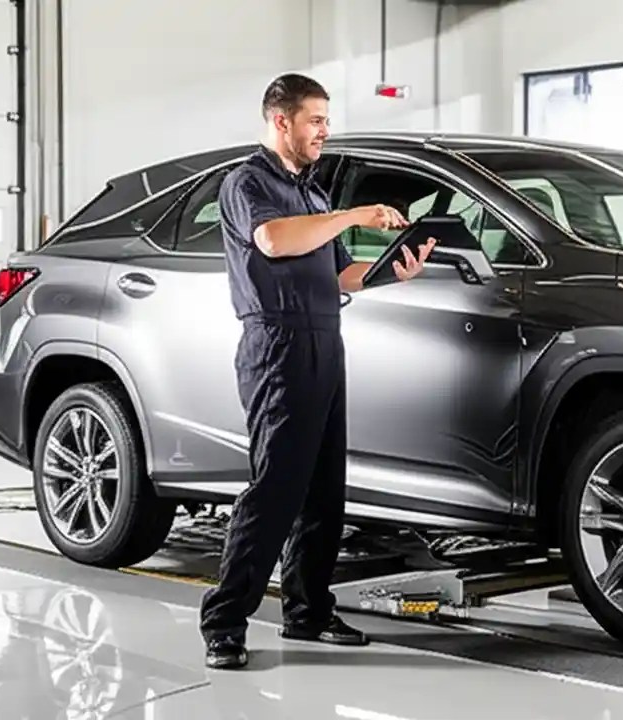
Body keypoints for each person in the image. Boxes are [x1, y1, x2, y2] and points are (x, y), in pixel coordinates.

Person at [198, 72, 436, 670]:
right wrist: (354, 214)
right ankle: (224, 622)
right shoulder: (247, 183)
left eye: (326, 121)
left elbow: (338, 276)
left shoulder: (314, 193)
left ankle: (307, 610)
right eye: (315, 121)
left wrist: (391, 272)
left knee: (325, 493)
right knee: (276, 487)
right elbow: (274, 242)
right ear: (282, 121)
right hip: (276, 345)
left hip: (326, 343)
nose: (324, 132)